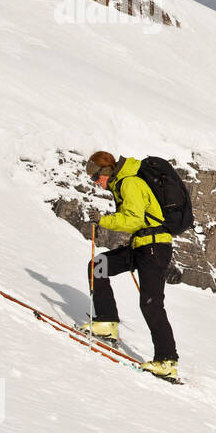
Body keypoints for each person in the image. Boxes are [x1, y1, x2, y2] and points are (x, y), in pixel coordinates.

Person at [78, 151, 180, 381]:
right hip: (142, 245)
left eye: (96, 178)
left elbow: (133, 219)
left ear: (106, 171)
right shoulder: (123, 182)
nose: (96, 183)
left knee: (151, 303)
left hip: (154, 247)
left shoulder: (130, 182)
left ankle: (167, 361)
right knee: (99, 265)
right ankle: (106, 322)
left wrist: (104, 220)